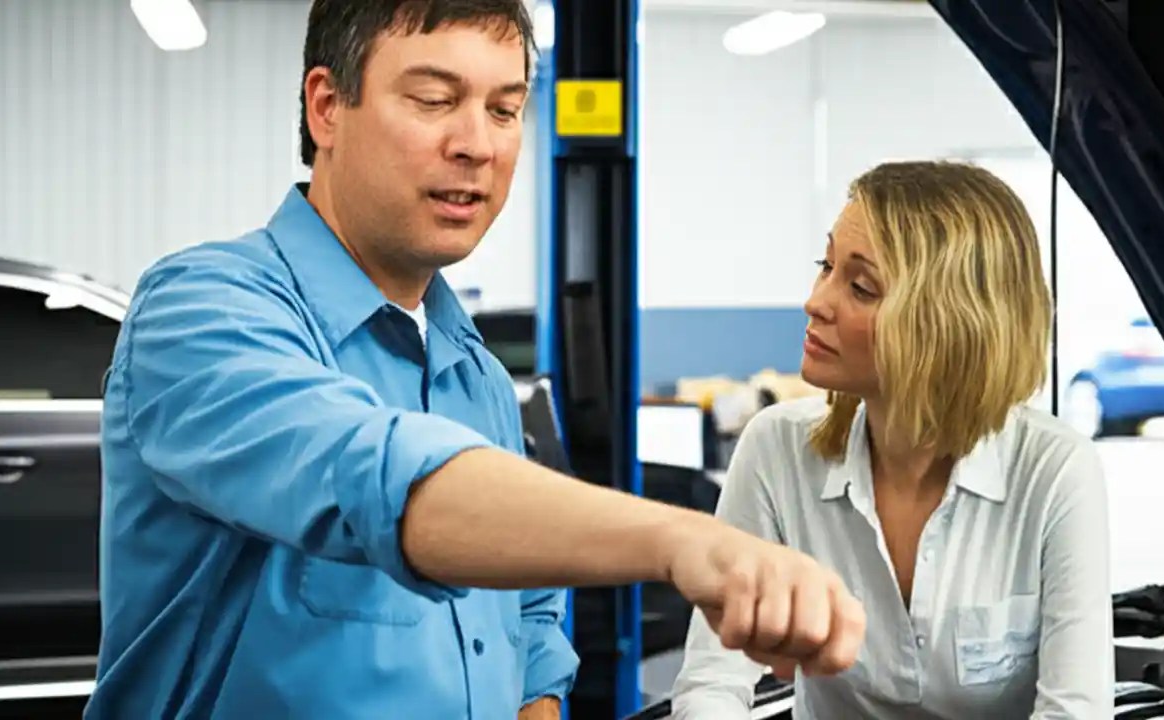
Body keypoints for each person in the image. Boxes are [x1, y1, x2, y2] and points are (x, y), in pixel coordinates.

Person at [84, 2, 866, 718]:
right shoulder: (202, 310)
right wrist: (690, 542)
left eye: (505, 109)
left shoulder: (477, 376)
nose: (478, 145)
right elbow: (377, 475)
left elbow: (527, 623)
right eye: (433, 100)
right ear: (327, 107)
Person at [672, 161, 1113, 719]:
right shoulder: (776, 450)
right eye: (825, 266)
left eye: (860, 286)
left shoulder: (1054, 471)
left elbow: (1075, 712)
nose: (817, 301)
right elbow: (712, 683)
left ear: (950, 321)